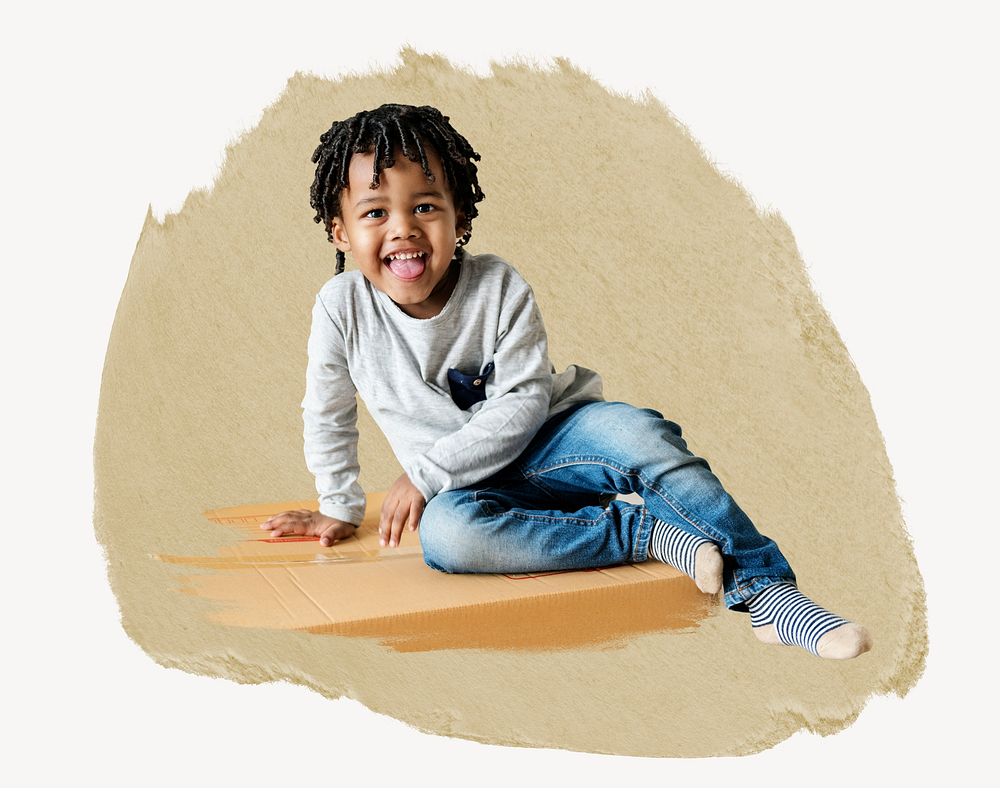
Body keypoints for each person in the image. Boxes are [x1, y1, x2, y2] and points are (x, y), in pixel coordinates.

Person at [260, 103, 872, 660]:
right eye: (374, 212)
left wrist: (423, 473)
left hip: (553, 440)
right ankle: (646, 535)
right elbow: (328, 410)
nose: (403, 229)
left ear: (461, 217)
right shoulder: (341, 307)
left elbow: (524, 402)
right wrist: (338, 505)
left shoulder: (498, 286)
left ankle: (768, 592)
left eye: (425, 206)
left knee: (637, 433)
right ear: (340, 232)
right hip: (468, 487)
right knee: (448, 539)